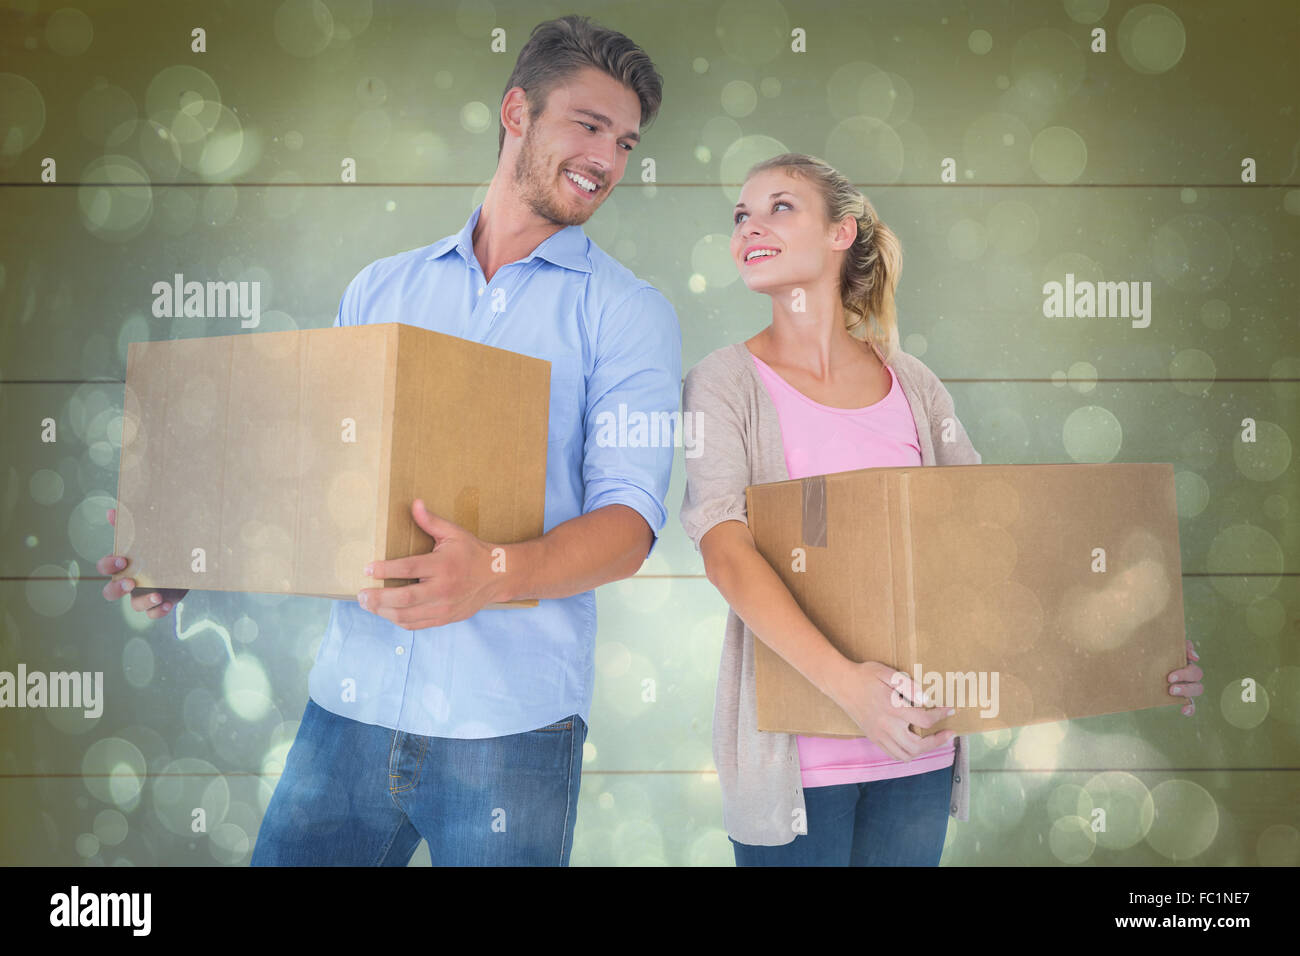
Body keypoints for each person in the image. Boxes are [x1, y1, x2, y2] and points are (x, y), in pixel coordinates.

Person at [97, 15, 681, 866]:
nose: (608, 159)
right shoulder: (382, 288)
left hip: (509, 733)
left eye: (625, 142)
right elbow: (322, 482)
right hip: (348, 712)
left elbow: (629, 526)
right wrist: (195, 551)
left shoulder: (629, 314)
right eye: (589, 126)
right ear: (516, 111)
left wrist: (493, 573)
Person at [678, 152, 1204, 866]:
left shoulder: (912, 384)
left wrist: (1135, 649)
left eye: (779, 207)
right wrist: (851, 690)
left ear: (842, 232)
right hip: (796, 771)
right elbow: (724, 550)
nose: (749, 226)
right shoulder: (723, 383)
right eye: (741, 214)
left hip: (919, 754)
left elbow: (995, 542)